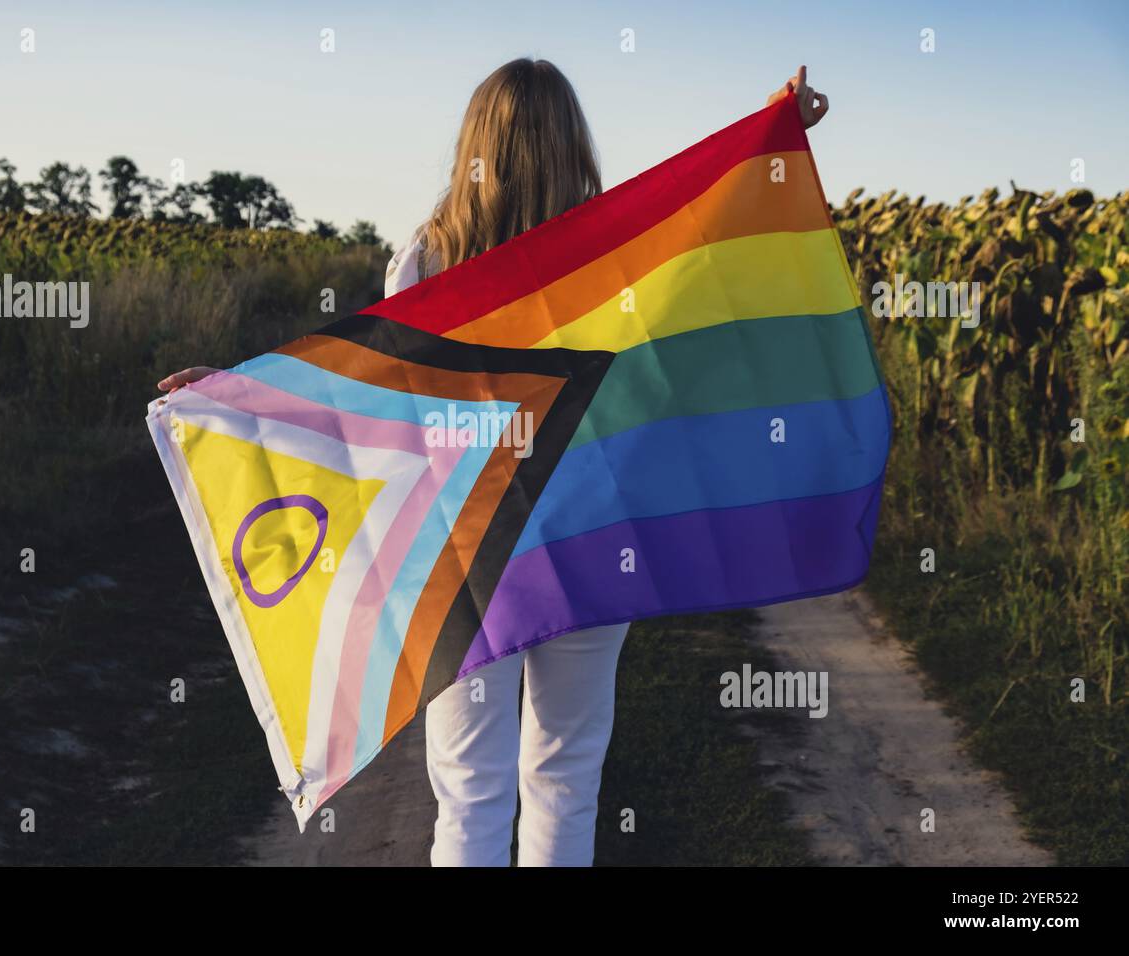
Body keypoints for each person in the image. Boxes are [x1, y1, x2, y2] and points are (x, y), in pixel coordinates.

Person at [158, 59, 829, 867]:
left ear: (479, 145)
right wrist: (774, 136)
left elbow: (371, 398)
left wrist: (243, 398)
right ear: (572, 145)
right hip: (589, 543)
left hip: (470, 553)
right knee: (567, 776)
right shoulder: (615, 256)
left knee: (470, 789)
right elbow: (704, 251)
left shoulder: (426, 261)